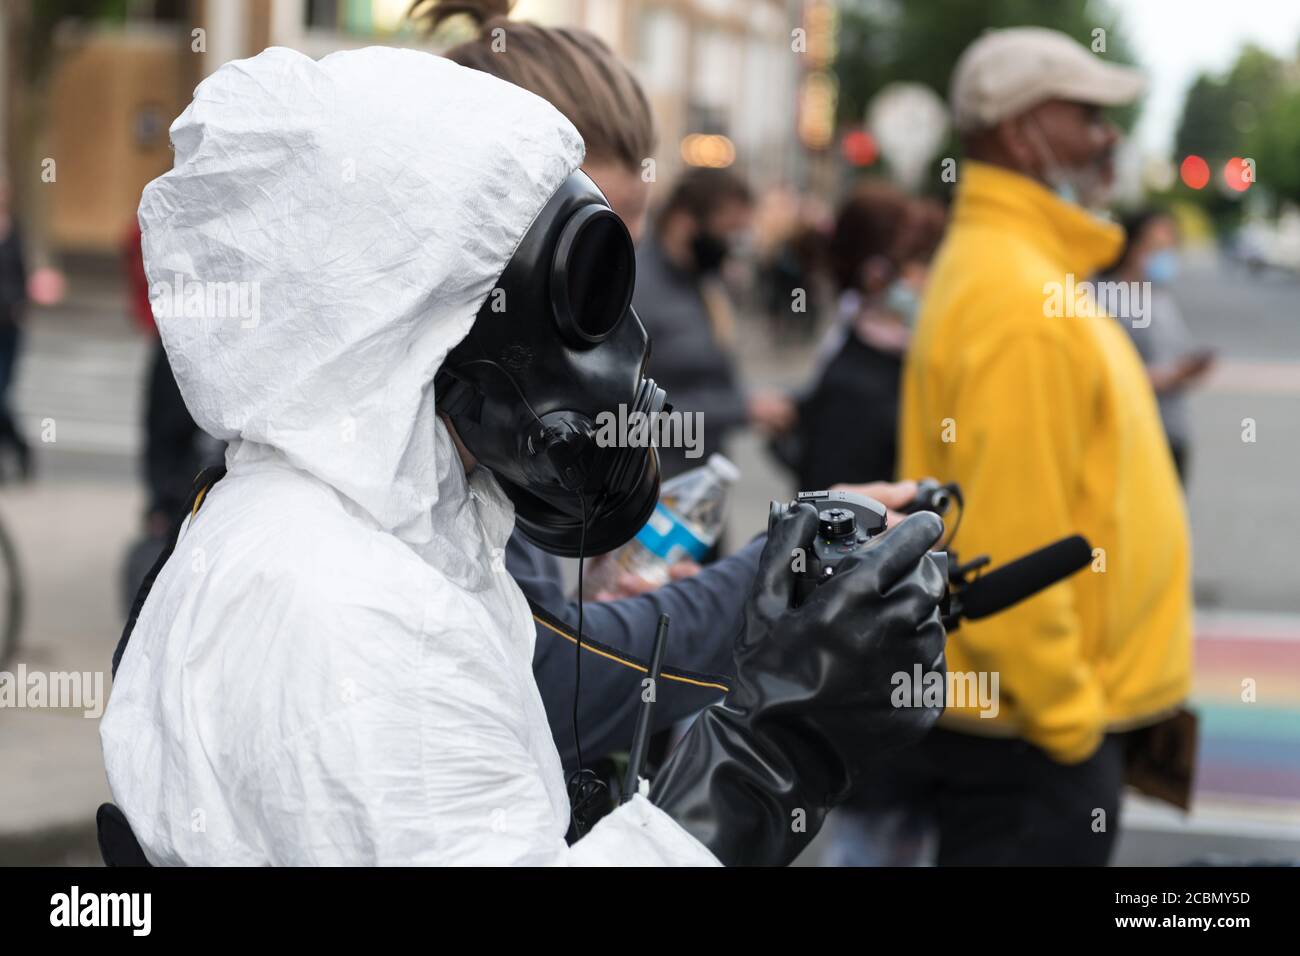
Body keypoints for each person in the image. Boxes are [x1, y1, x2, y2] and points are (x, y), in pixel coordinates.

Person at [100, 45, 949, 866]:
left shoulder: (355, 529)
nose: (625, 348)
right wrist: (778, 742)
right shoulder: (357, 612)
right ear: (426, 310)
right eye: (580, 297)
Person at [887, 27, 1193, 865]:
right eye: (1088, 114)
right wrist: (1071, 723)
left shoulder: (1010, 267)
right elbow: (1010, 538)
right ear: (1022, 132)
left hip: (1019, 726)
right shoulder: (1020, 294)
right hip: (1031, 736)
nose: (1109, 136)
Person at [634, 166, 795, 479]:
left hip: (701, 481)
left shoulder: (703, 280)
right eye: (727, 232)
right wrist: (740, 408)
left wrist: (749, 401)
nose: (731, 247)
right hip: (654, 489)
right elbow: (629, 414)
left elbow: (713, 374)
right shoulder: (637, 289)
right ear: (685, 223)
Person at [792, 184, 945, 491]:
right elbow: (829, 514)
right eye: (916, 262)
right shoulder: (855, 388)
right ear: (875, 276)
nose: (929, 279)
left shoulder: (899, 358)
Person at [1102, 209, 1214, 482]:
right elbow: (1100, 373)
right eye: (1156, 246)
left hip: (1173, 430)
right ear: (1132, 245)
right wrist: (1169, 377)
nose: (1164, 255)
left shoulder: (1159, 295)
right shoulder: (1103, 297)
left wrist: (1188, 370)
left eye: (1170, 247)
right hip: (1132, 435)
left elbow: (1176, 350)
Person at [0, 180, 31, 482]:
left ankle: (21, 448)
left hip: (9, 327)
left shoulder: (15, 230)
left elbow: (21, 271)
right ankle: (20, 450)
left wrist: (21, 304)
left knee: (2, 395)